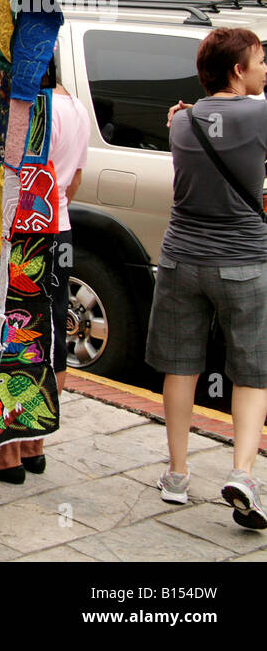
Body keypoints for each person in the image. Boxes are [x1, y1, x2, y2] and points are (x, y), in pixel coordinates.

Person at [149, 27, 267, 527]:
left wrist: (184, 113)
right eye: (260, 60)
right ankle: (242, 472)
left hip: (181, 261)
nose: (265, 69)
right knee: (252, 371)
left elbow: (186, 119)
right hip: (243, 263)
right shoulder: (261, 112)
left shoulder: (182, 121)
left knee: (181, 367)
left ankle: (177, 475)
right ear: (238, 70)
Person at [0, 53, 91, 483]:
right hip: (61, 230)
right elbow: (71, 183)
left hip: (20, 235)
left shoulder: (27, 110)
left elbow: (12, 175)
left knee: (12, 332)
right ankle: (34, 444)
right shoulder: (75, 108)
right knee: (48, 332)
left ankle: (7, 453)